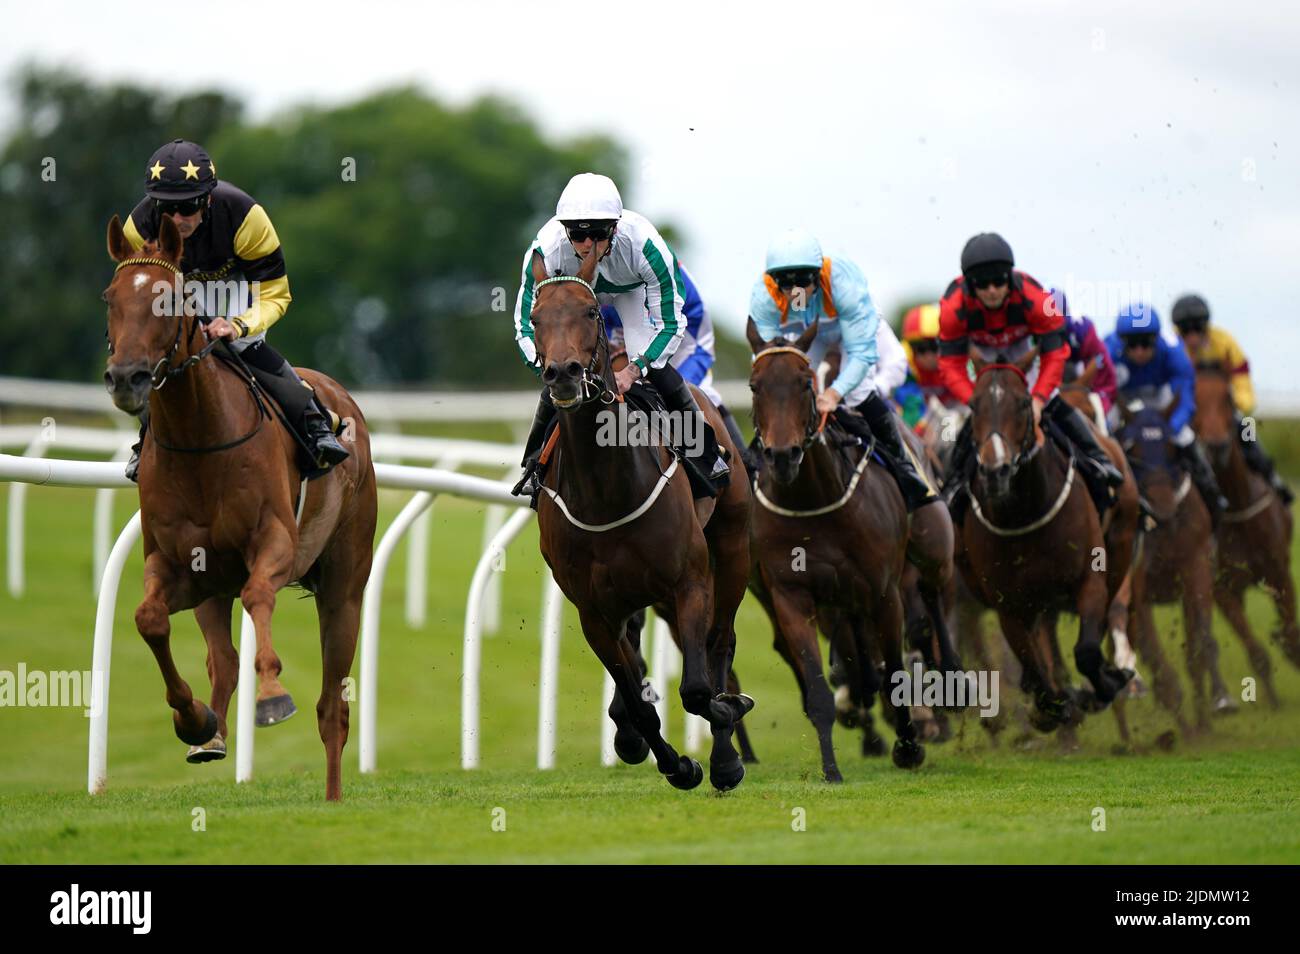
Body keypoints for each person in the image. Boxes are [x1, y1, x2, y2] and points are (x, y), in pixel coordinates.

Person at [120, 139, 347, 481]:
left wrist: (238, 325)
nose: (178, 219)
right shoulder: (137, 229)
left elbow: (275, 294)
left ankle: (314, 421)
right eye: (167, 209)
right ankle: (147, 439)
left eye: (189, 207)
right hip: (174, 288)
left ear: (207, 199)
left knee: (239, 347)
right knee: (163, 353)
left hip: (234, 283)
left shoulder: (245, 217)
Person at [512, 173, 729, 500]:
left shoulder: (645, 245)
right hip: (573, 297)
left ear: (615, 226)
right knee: (558, 374)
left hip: (633, 292)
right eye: (577, 234)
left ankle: (705, 451)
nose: (587, 246)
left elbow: (671, 324)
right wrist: (546, 367)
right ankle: (533, 464)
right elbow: (524, 325)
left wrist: (634, 369)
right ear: (564, 230)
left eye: (597, 233)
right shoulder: (546, 251)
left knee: (654, 371)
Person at [747, 227, 938, 511]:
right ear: (772, 281)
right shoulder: (764, 295)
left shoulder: (844, 286)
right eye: (785, 284)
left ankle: (904, 468)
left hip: (851, 328)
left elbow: (861, 354)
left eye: (801, 281)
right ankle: (758, 462)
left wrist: (835, 394)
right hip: (810, 329)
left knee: (859, 392)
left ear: (817, 275)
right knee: (783, 380)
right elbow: (767, 359)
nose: (794, 291)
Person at [937, 233, 1123, 518]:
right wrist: (974, 400)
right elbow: (950, 365)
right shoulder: (952, 308)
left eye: (998, 281)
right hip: (985, 357)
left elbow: (1055, 354)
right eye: (982, 284)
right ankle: (952, 484)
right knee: (980, 414)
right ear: (969, 285)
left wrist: (1037, 399)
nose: (991, 290)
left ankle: (1097, 460)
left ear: (1009, 277)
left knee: (1052, 403)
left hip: (1027, 351)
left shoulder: (1037, 299)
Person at [600, 262, 752, 467]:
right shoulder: (603, 276)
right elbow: (607, 334)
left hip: (681, 361)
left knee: (695, 396)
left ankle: (730, 463)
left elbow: (701, 345)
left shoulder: (673, 273)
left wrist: (674, 387)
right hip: (630, 368)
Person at [1105, 303, 1228, 521]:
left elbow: (1186, 398)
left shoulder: (1173, 351)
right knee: (1104, 433)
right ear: (1122, 342)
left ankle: (1211, 492)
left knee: (1184, 436)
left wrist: (1170, 428)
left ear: (1156, 339)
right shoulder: (1108, 349)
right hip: (1122, 397)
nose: (1139, 351)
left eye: (1145, 344)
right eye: (1133, 345)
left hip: (1160, 396)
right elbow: (1101, 392)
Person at [1170, 293, 1292, 504]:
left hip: (1224, 406)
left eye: (1197, 329)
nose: (1192, 337)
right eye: (1185, 331)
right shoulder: (1172, 345)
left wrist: (1242, 402)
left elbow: (1241, 376)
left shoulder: (1224, 341)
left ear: (1205, 326)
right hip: (1190, 408)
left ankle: (1272, 478)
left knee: (1249, 430)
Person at [1049, 289, 1119, 430]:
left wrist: (1100, 405)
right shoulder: (1027, 331)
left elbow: (1102, 369)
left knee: (1102, 420)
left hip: (1083, 384)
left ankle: (1104, 447)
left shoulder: (1082, 329)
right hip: (1046, 384)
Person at [894, 303, 962, 430]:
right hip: (923, 416)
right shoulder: (904, 364)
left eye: (934, 346)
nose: (928, 355)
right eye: (920, 349)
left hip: (954, 414)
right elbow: (910, 406)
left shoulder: (959, 361)